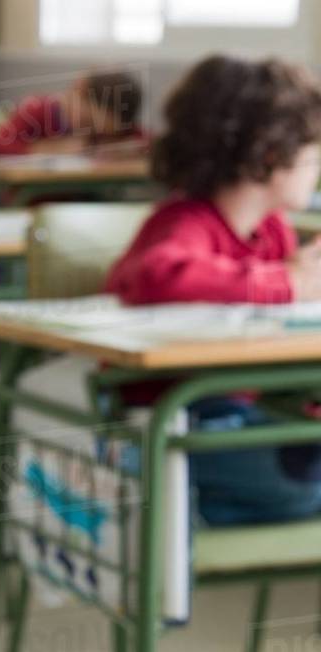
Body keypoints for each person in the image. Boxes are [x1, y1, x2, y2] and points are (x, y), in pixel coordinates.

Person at [106, 55, 321, 524]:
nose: (317, 170)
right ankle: (184, 508)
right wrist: (287, 282)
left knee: (302, 474)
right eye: (311, 158)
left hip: (243, 408)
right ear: (270, 157)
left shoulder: (274, 233)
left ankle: (198, 510)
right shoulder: (183, 222)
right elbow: (159, 274)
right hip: (171, 419)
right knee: (299, 487)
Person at [0, 70, 145, 159]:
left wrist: (122, 149)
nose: (91, 132)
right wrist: (42, 149)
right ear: (78, 89)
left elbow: (145, 140)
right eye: (88, 122)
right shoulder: (37, 109)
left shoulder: (110, 126)